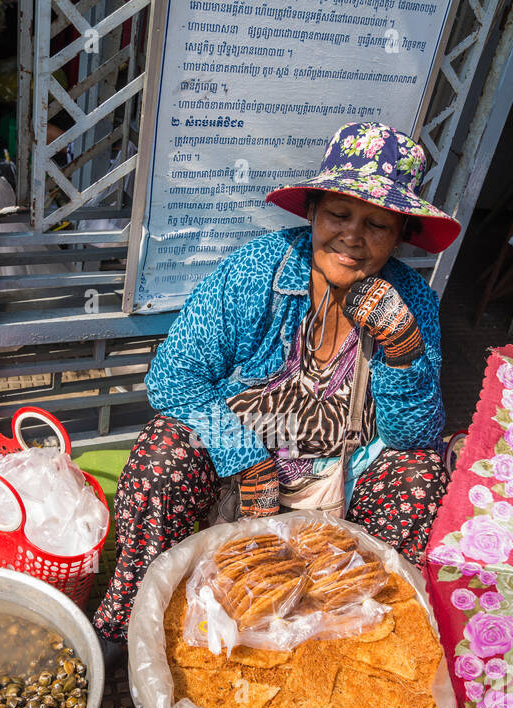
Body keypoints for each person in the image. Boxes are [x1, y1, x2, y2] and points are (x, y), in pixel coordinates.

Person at [94, 122, 462, 661]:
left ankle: (364, 628)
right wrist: (247, 460)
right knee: (164, 453)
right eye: (339, 215)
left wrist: (404, 351)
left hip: (339, 487)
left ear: (400, 235)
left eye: (377, 225)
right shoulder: (258, 271)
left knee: (423, 476)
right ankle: (125, 614)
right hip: (236, 474)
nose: (353, 237)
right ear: (314, 211)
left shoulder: (412, 302)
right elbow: (173, 375)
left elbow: (414, 437)